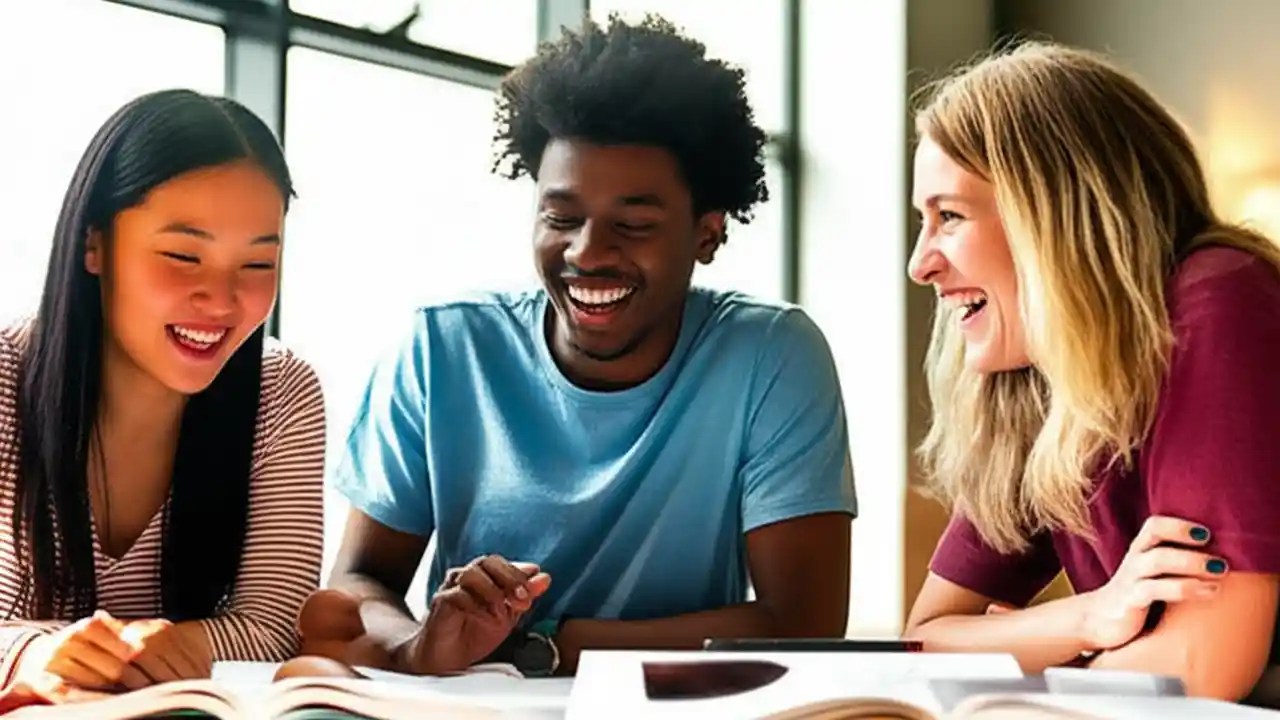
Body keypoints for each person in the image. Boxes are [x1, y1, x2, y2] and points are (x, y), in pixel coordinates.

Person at [302, 14, 856, 678]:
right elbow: (360, 583)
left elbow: (802, 624)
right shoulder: (443, 348)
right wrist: (418, 646)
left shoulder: (770, 356)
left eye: (634, 224)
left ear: (707, 235)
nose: (588, 253)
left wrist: (545, 642)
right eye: (561, 218)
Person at [901, 41, 1280, 702]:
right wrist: (1092, 616)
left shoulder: (1216, 299)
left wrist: (1046, 662)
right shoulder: (1036, 381)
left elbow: (1205, 668)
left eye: (950, 217)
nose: (920, 263)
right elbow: (929, 635)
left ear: (1052, 211)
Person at [0, 89, 325, 695]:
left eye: (257, 265)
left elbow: (277, 622)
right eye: (183, 256)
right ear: (93, 244)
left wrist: (183, 644)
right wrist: (33, 655)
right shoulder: (5, 379)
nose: (223, 300)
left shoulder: (283, 394)